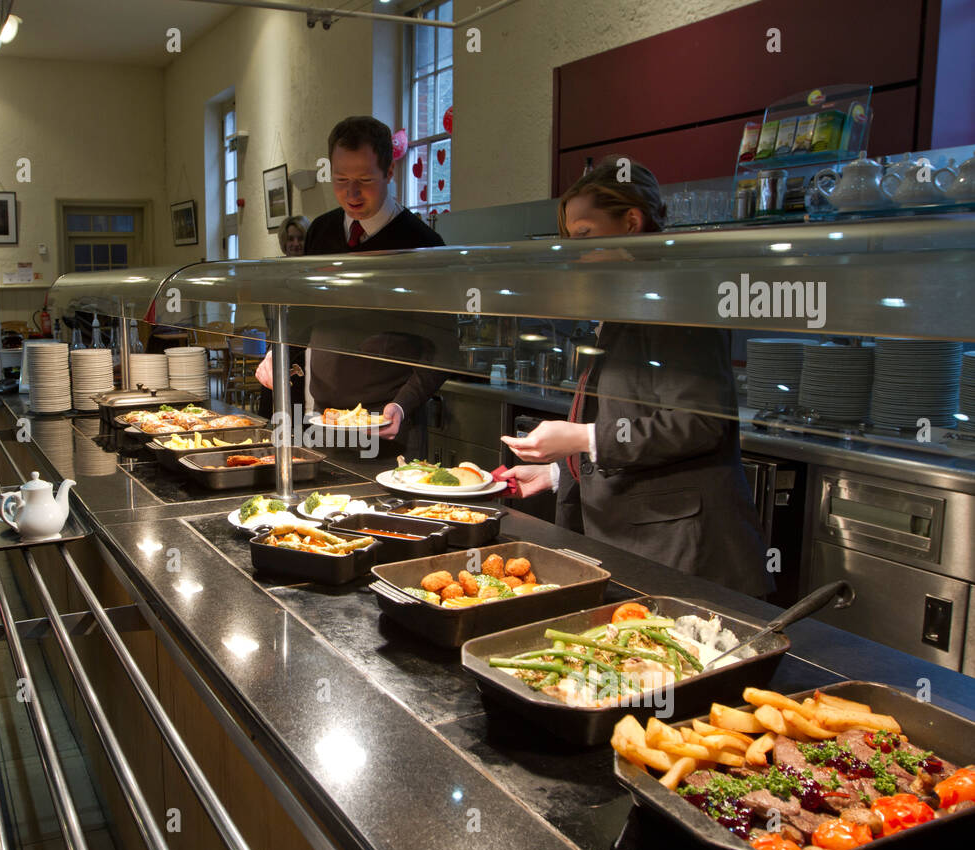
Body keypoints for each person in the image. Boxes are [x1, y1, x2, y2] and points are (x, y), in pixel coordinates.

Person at [500, 157, 772, 597]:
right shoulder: (630, 292)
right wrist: (558, 475)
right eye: (570, 239)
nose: (576, 251)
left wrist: (582, 438)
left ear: (630, 222)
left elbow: (697, 423)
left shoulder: (679, 295)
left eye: (585, 235)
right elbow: (628, 413)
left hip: (687, 552)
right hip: (638, 540)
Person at [256, 116, 453, 455]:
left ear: (390, 172)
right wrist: (277, 350)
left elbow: (445, 347)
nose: (351, 193)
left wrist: (403, 405)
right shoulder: (320, 230)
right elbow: (305, 313)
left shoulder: (423, 244)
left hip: (387, 424)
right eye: (340, 179)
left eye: (364, 179)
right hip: (320, 416)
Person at [257, 215, 311, 419]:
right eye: (291, 239)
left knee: (298, 417)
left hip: (303, 358)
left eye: (300, 238)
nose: (295, 244)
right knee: (271, 415)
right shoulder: (274, 275)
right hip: (277, 351)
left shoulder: (313, 274)